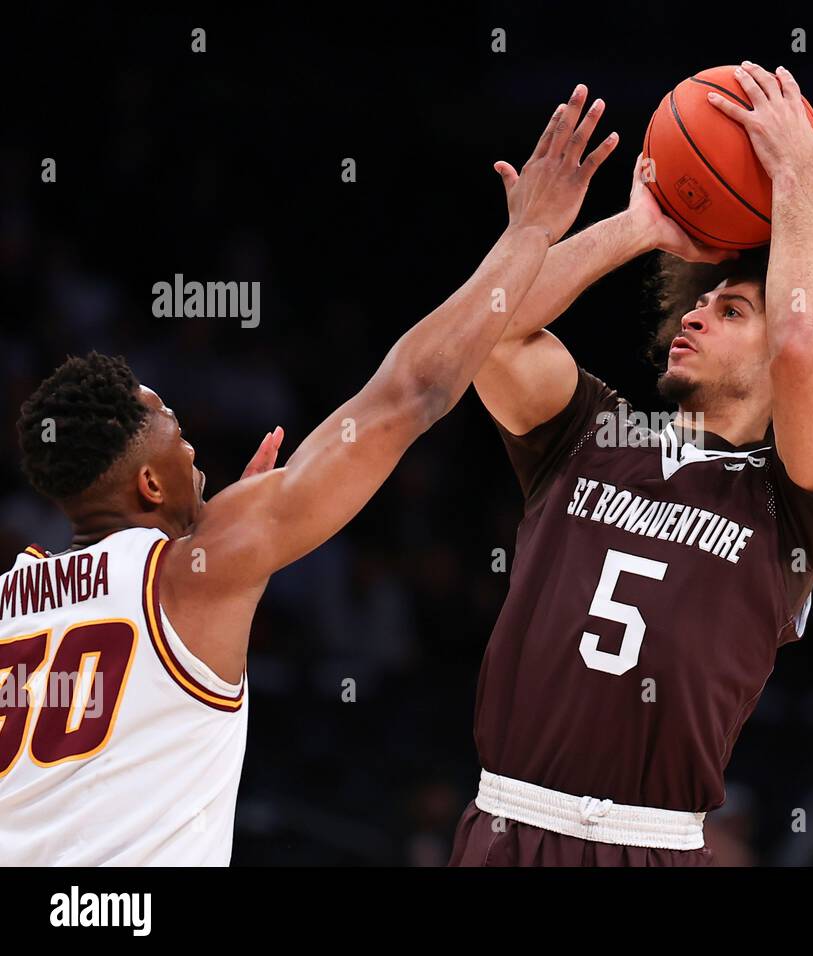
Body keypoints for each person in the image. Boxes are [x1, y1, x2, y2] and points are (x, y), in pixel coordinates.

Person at [0, 85, 617, 865]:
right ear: (149, 488)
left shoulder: (11, 601)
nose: (196, 453)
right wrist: (531, 230)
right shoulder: (191, 574)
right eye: (178, 438)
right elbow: (409, 394)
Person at [451, 62, 813, 866]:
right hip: (505, 825)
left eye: (731, 308)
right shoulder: (587, 434)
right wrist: (641, 226)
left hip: (654, 845)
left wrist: (792, 184)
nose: (698, 312)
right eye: (698, 301)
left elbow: (800, 344)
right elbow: (491, 331)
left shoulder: (798, 500)